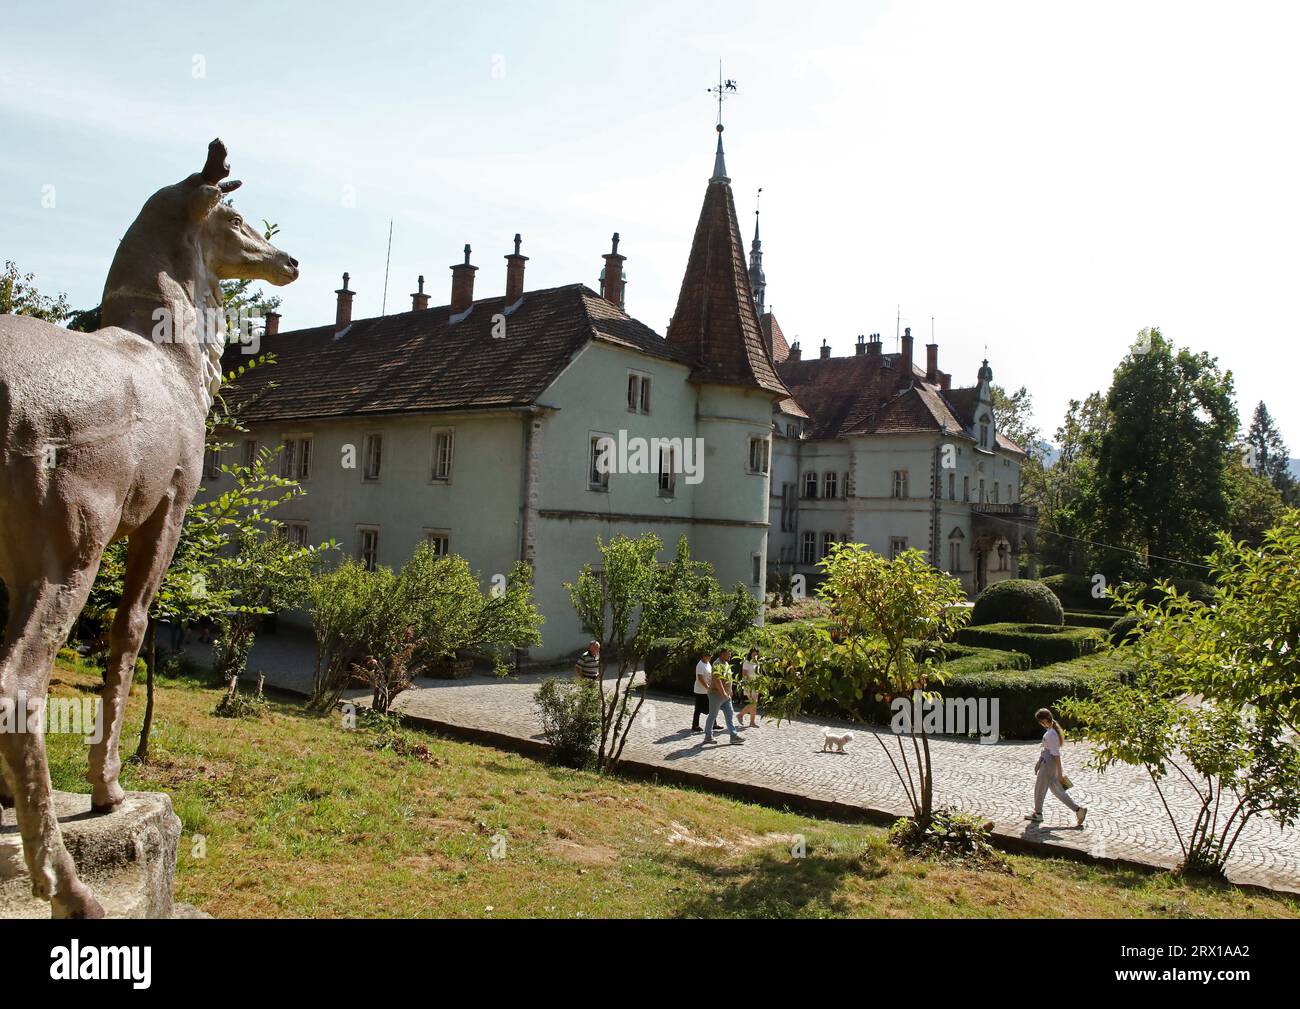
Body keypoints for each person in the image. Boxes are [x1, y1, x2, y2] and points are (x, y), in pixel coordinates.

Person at [1026, 707, 1087, 827]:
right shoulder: (1051, 731)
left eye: (1040, 721)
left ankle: (1038, 813)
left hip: (1048, 764)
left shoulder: (1051, 734)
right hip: (1048, 761)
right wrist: (1039, 761)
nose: (1039, 723)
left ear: (1044, 720)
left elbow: (1056, 754)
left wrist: (1059, 773)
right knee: (1057, 790)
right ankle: (1078, 810)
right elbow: (1048, 750)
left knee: (1040, 788)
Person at [703, 648, 743, 746]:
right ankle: (708, 736)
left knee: (730, 715)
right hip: (715, 694)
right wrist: (723, 693)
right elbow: (717, 680)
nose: (730, 656)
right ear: (722, 654)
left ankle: (733, 736)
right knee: (713, 715)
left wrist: (730, 691)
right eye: (728, 654)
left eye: (730, 654)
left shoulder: (726, 663)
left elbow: (728, 679)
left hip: (726, 696)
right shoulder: (717, 664)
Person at [736, 647, 761, 727]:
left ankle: (752, 722)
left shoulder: (757, 663)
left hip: (756, 685)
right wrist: (751, 681)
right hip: (749, 685)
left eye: (756, 654)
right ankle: (740, 715)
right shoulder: (746, 662)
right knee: (753, 702)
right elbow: (744, 675)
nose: (755, 655)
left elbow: (758, 674)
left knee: (755, 703)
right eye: (754, 653)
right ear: (750, 654)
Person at [691, 647, 712, 733]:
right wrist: (707, 687)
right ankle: (695, 725)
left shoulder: (708, 663)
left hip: (707, 690)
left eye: (710, 656)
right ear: (704, 656)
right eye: (708, 656)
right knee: (698, 709)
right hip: (700, 690)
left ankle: (713, 724)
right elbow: (700, 678)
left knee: (712, 707)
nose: (710, 657)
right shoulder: (700, 665)